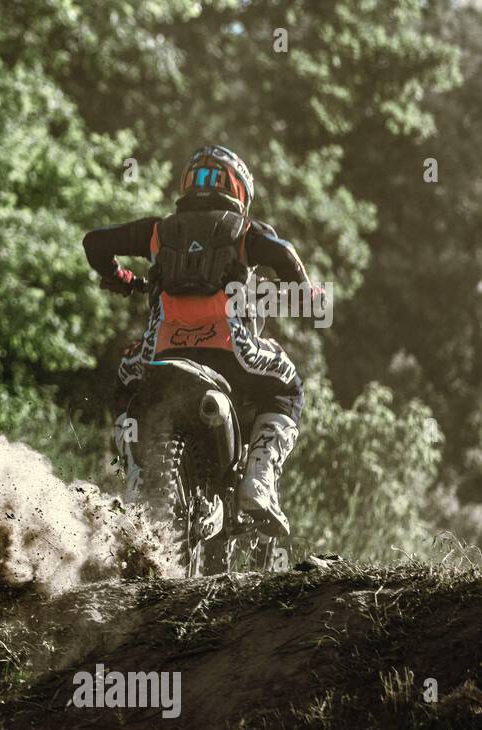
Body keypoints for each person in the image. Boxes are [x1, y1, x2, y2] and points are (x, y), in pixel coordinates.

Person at [83, 145, 321, 537]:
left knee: (127, 383)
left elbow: (94, 242)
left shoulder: (157, 231)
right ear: (239, 189)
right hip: (232, 354)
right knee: (288, 384)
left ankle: (136, 475)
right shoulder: (246, 231)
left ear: (189, 183)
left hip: (160, 355)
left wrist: (121, 278)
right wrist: (306, 295)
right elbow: (285, 255)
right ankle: (259, 478)